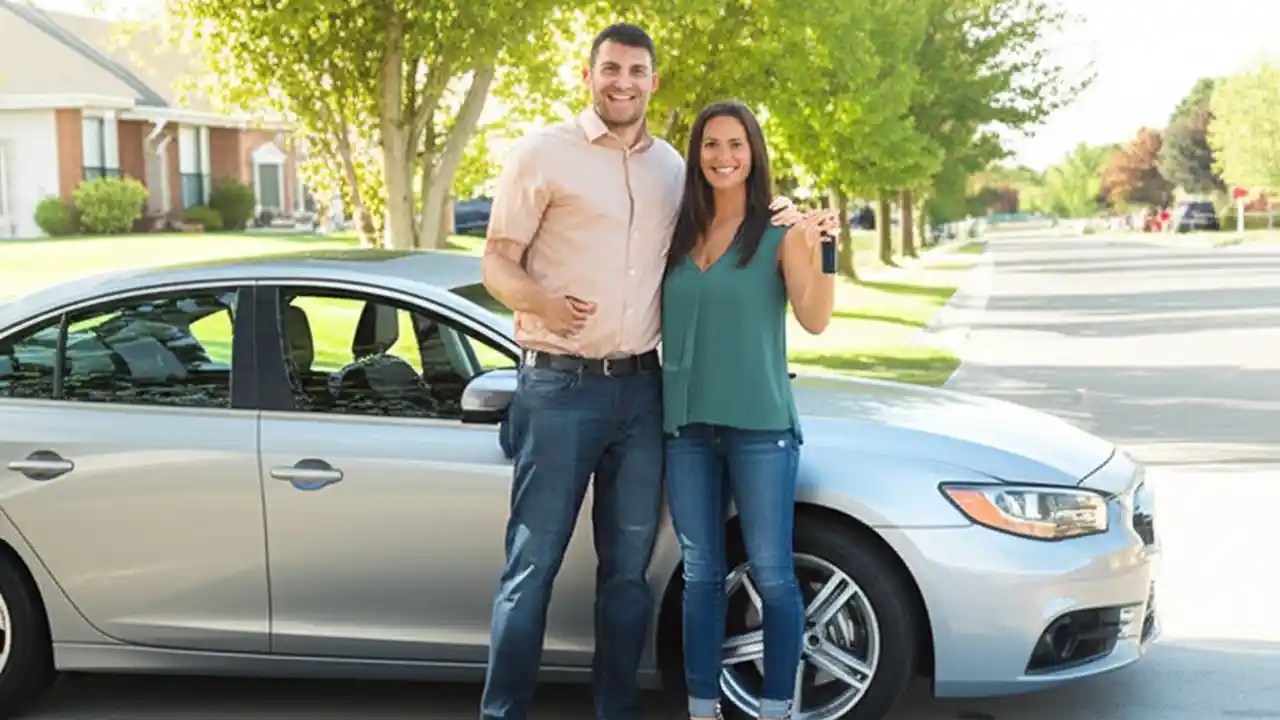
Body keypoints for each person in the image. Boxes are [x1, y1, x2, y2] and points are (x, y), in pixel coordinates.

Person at [478, 24, 802, 720]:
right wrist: (541, 301)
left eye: (636, 71)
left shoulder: (673, 172)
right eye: (610, 69)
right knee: (530, 571)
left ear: (655, 82)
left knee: (626, 577)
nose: (622, 82)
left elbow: (731, 219)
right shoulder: (543, 153)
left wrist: (792, 219)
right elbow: (496, 260)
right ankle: (502, 712)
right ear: (588, 76)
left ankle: (615, 711)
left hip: (642, 392)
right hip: (557, 389)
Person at [660, 100, 840, 720]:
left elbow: (815, 319)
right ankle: (702, 708)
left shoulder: (780, 232)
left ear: (754, 153)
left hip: (761, 427)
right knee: (702, 575)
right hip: (686, 427)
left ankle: (775, 711)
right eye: (711, 145)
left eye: (736, 144)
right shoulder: (677, 232)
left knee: (772, 574)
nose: (723, 156)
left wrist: (827, 250)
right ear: (697, 154)